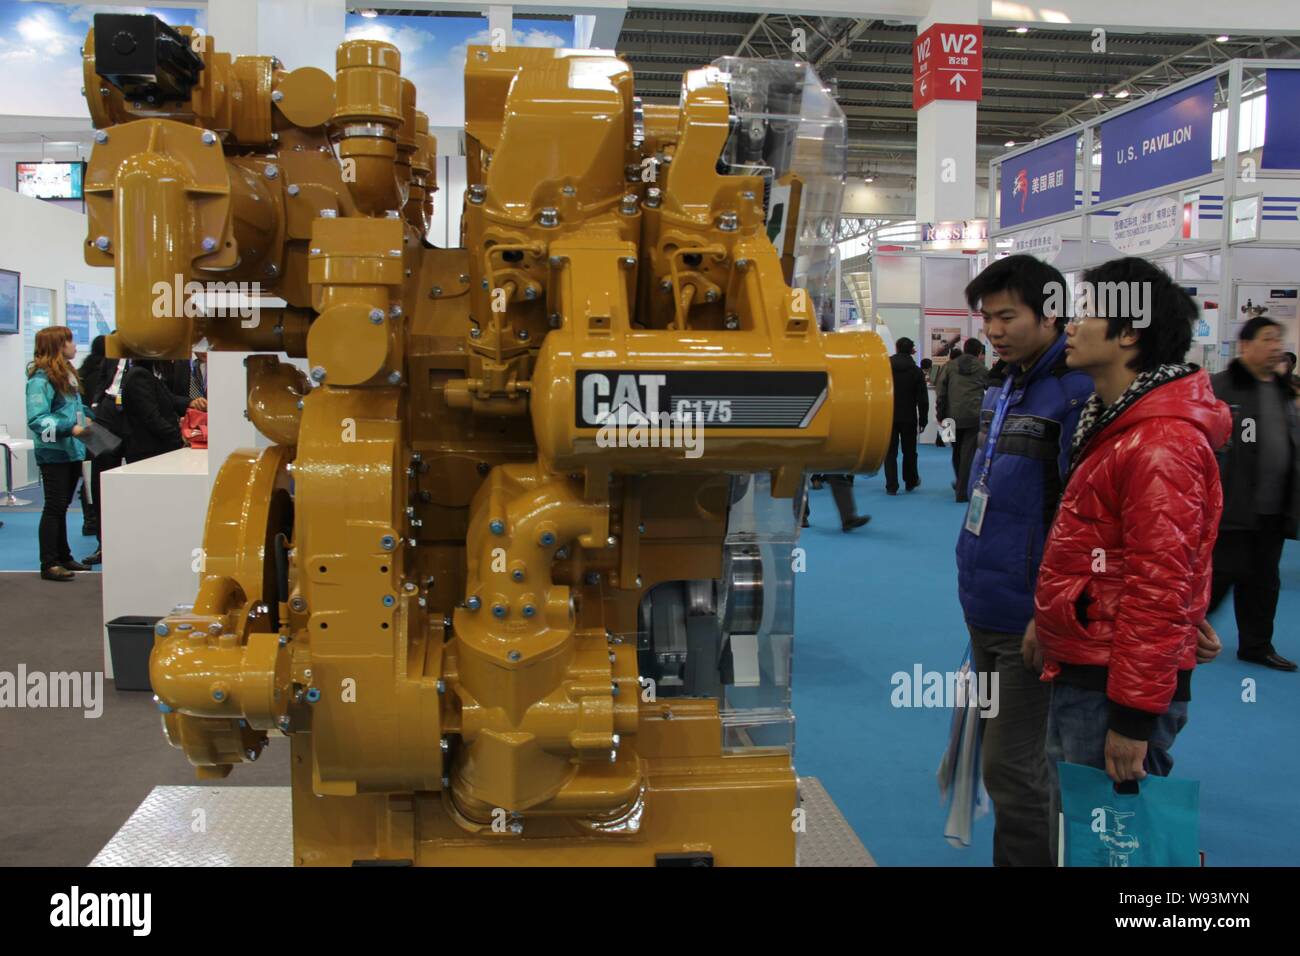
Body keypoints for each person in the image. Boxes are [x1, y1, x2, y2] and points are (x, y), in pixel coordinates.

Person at [1033, 258, 1230, 851]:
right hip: (1093, 664)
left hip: (1113, 686)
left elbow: (1157, 584)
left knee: (1119, 845)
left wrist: (1133, 719)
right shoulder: (1118, 423)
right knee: (1090, 838)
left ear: (1130, 333)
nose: (1070, 323)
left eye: (1087, 311)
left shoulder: (1159, 442)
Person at [954, 254, 1094, 866]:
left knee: (1013, 769)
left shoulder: (1076, 391)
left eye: (1007, 316)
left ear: (1050, 313)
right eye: (987, 317)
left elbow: (1080, 518)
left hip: (1031, 621)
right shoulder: (1006, 381)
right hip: (985, 604)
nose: (994, 329)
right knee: (998, 762)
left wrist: (1050, 610)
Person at [1206, 316, 1300, 671]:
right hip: (1231, 507)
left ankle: (1256, 646)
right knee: (1217, 579)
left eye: (1278, 339)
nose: (1275, 345)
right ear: (1245, 345)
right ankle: (1179, 638)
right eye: (1267, 338)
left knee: (1264, 583)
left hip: (1273, 510)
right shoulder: (1219, 387)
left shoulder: (1283, 389)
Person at [25, 326, 90, 582]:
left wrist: (89, 419)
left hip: (72, 451)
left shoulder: (66, 375)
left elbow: (74, 408)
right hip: (53, 453)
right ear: (58, 345)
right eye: (70, 341)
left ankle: (64, 556)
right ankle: (49, 562)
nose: (75, 346)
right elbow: (37, 418)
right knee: (54, 506)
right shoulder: (40, 380)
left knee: (62, 505)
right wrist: (69, 427)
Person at [936, 338, 989, 502]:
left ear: (965, 348)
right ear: (979, 351)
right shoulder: (982, 368)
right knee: (968, 453)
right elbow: (990, 386)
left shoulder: (949, 366)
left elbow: (941, 391)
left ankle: (960, 483)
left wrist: (940, 414)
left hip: (950, 417)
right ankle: (962, 488)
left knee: (955, 450)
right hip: (973, 416)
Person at [122, 359, 200, 463]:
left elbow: (168, 398)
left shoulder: (148, 374)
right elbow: (152, 418)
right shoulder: (139, 376)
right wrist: (180, 437)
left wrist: (191, 403)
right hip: (149, 454)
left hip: (156, 450)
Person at [884, 337, 928, 494]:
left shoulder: (885, 368)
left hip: (888, 416)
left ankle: (891, 486)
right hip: (909, 416)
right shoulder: (916, 371)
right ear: (911, 350)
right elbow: (922, 397)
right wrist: (923, 419)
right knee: (910, 451)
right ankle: (910, 481)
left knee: (890, 452)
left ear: (896, 348)